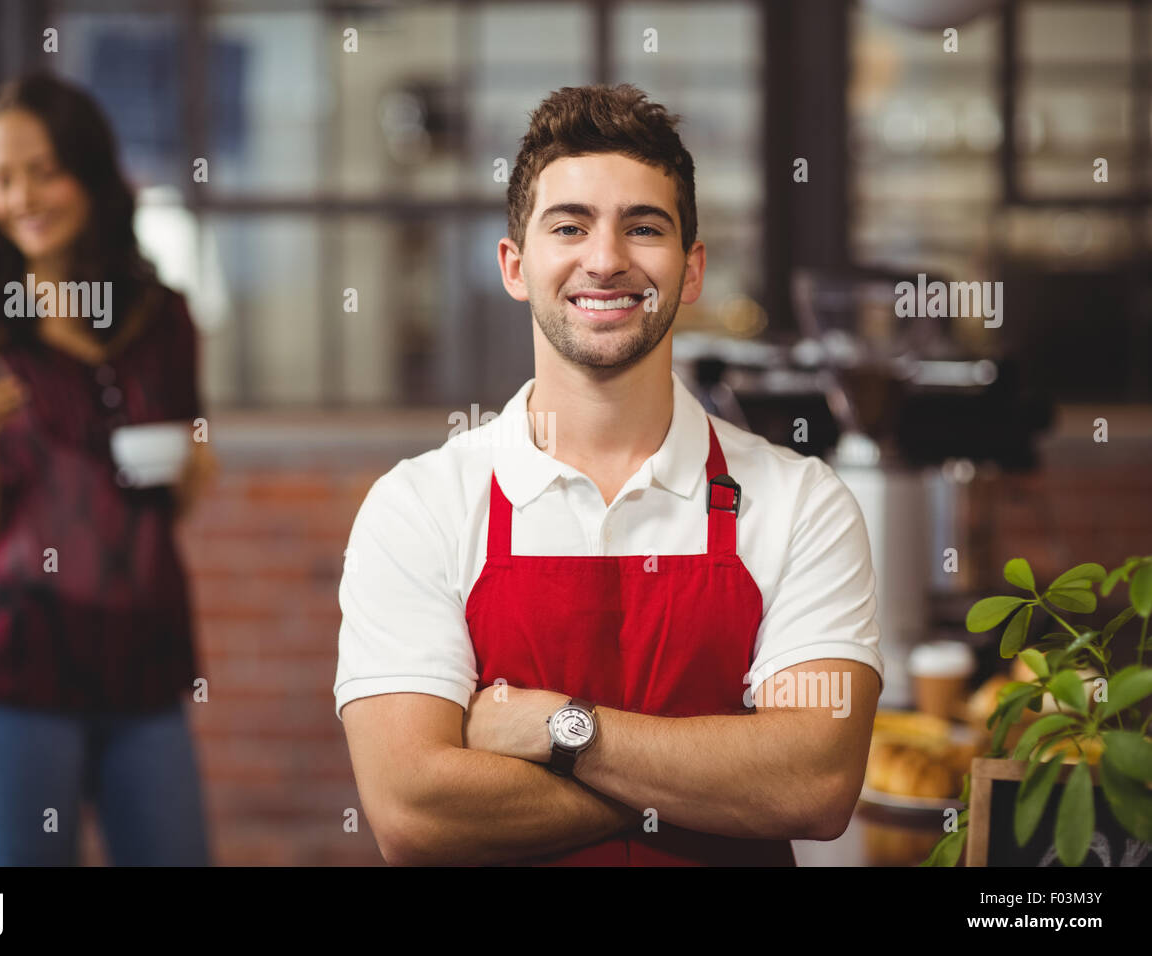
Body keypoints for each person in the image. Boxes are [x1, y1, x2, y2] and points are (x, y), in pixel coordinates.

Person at [335, 84, 884, 866]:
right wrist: (713, 784)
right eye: (570, 226)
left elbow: (815, 785)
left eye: (644, 227)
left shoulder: (800, 502)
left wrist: (557, 728)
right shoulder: (419, 505)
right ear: (515, 266)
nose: (606, 259)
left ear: (691, 270)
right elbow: (414, 814)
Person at [0, 72, 216, 865]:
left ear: (88, 171)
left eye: (42, 170)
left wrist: (192, 463)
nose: (20, 196)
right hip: (20, 669)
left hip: (145, 663)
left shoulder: (164, 317)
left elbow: (181, 487)